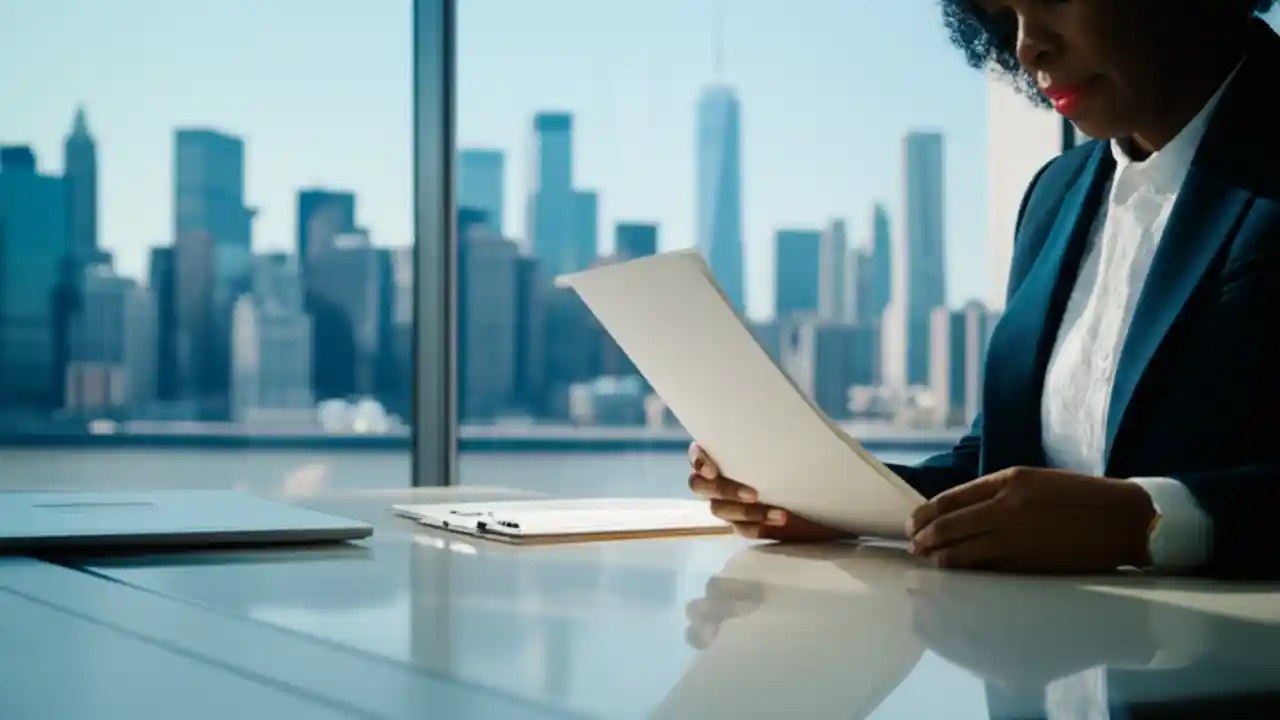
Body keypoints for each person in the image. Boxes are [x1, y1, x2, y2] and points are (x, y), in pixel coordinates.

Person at [689, 0, 1280, 577]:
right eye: (1003, 16)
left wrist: (1146, 523)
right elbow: (1000, 460)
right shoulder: (1055, 194)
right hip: (1040, 638)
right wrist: (833, 501)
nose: (1027, 47)